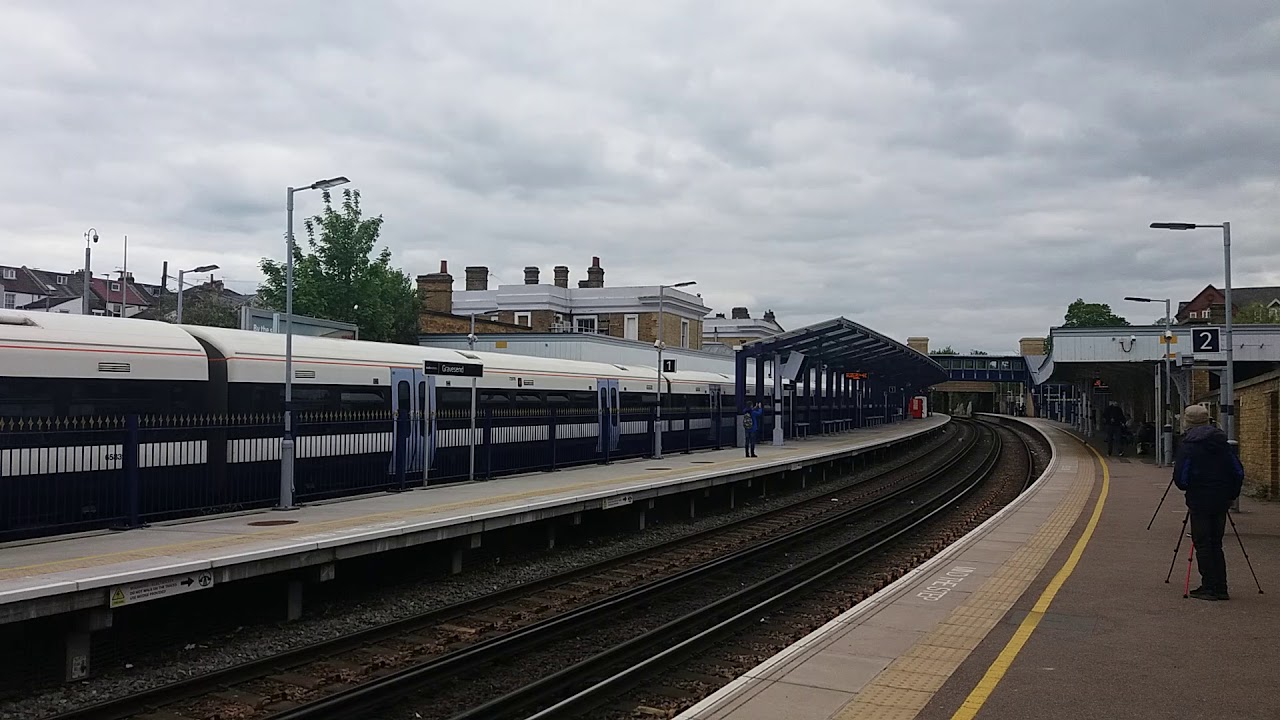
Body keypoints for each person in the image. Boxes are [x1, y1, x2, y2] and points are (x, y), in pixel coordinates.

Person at [1172, 404, 1245, 601]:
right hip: (1221, 499)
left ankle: (1209, 587)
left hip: (1199, 500)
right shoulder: (1222, 442)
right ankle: (1221, 587)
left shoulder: (1188, 445)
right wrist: (1231, 494)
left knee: (1202, 543)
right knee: (1216, 543)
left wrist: (1190, 487)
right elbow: (1238, 471)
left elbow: (1181, 478)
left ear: (1187, 422)